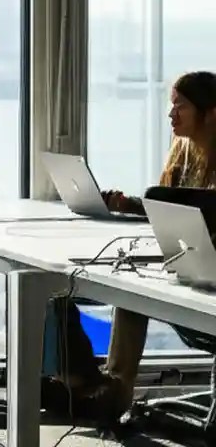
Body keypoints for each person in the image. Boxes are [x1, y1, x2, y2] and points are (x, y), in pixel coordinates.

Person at [52, 71, 216, 417]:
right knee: (68, 287)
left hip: (208, 275)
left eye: (180, 107)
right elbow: (169, 213)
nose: (171, 115)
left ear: (211, 112)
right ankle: (87, 382)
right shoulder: (182, 157)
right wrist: (129, 207)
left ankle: (115, 391)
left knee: (132, 291)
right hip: (187, 262)